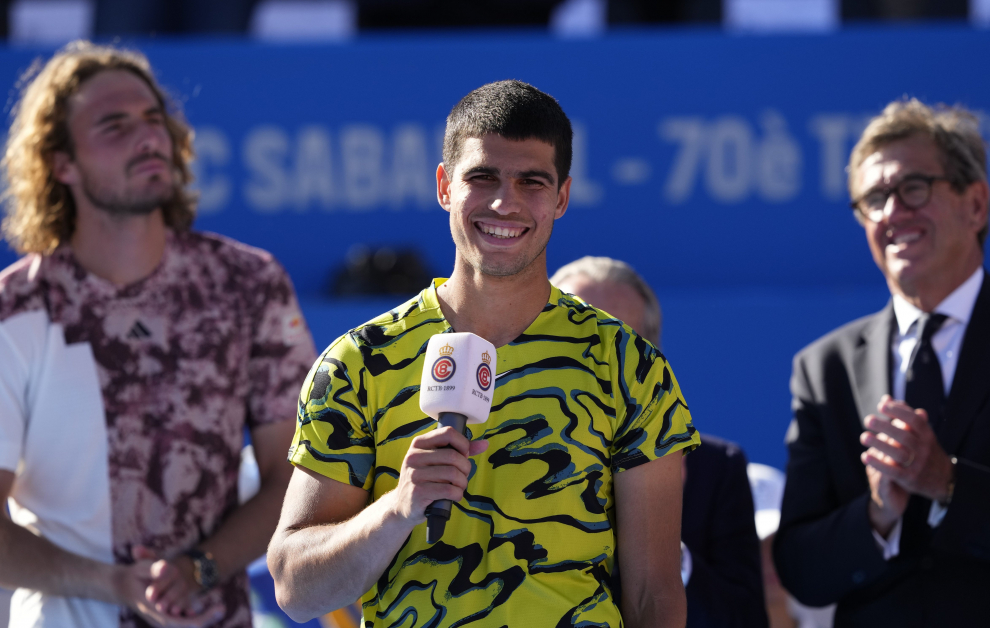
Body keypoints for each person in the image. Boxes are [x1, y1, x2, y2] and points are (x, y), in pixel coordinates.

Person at [268, 80, 699, 627]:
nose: (505, 202)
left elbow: (653, 596)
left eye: (532, 182)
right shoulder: (358, 363)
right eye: (483, 177)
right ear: (445, 185)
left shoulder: (629, 368)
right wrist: (396, 508)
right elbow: (295, 588)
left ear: (562, 197)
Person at [0, 42, 316, 627]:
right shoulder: (13, 308)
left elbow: (300, 476)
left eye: (153, 119)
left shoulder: (250, 283)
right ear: (59, 163)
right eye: (114, 125)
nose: (147, 137)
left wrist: (199, 566)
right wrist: (115, 585)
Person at [774, 98, 990, 625]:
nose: (893, 213)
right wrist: (876, 516)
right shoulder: (826, 367)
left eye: (913, 188)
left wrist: (948, 484)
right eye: (874, 198)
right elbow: (800, 566)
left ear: (976, 204)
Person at [551, 256, 767, 628]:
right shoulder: (499, 450)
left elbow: (742, 618)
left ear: (652, 359)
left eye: (620, 342)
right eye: (578, 339)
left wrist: (663, 545)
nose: (598, 361)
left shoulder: (712, 468)